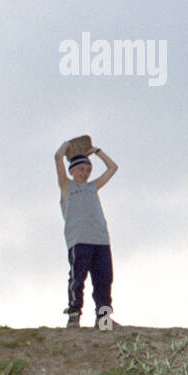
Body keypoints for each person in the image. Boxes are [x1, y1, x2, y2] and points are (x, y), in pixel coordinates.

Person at [55, 139, 118, 328]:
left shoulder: (93, 187)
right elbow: (58, 157)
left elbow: (113, 168)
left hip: (100, 239)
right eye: (81, 169)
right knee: (77, 277)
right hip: (79, 239)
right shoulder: (67, 186)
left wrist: (96, 151)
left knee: (104, 279)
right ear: (72, 170)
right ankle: (74, 314)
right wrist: (68, 146)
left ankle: (104, 318)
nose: (85, 172)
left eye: (87, 169)